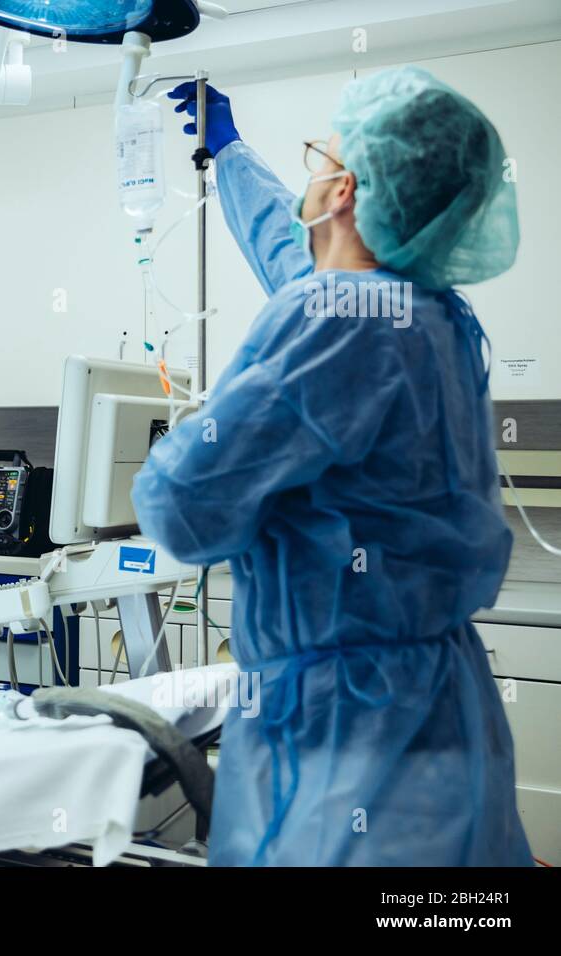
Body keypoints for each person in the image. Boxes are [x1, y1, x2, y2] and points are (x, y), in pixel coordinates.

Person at [131, 67, 532, 865]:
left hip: (345, 739)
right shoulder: (431, 316)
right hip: (445, 712)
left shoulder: (333, 322)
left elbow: (180, 508)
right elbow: (299, 258)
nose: (311, 173)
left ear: (346, 190)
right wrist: (232, 155)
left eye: (319, 156)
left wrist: (203, 427)